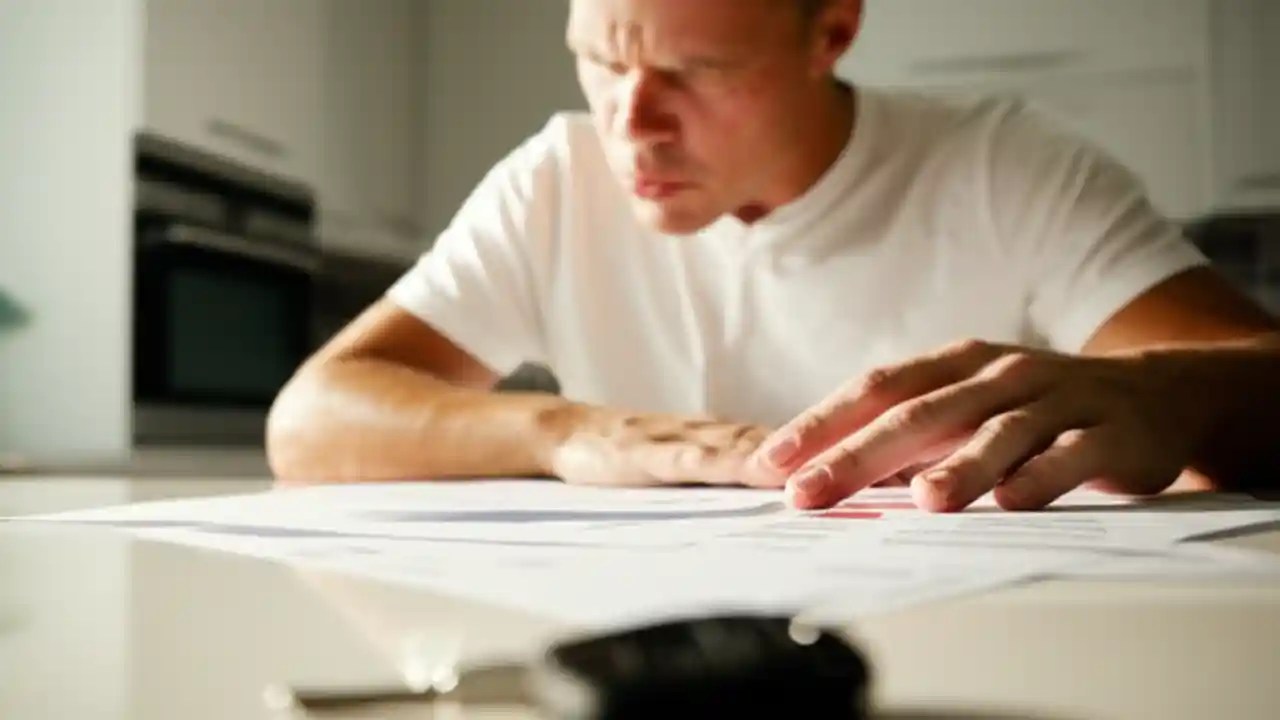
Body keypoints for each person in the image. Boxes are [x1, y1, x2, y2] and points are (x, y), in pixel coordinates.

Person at [267, 0, 1280, 512]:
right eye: (599, 59)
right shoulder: (556, 180)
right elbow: (311, 419)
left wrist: (1160, 397)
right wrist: (567, 432)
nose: (632, 125)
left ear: (831, 29)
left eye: (697, 71)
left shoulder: (1002, 169)